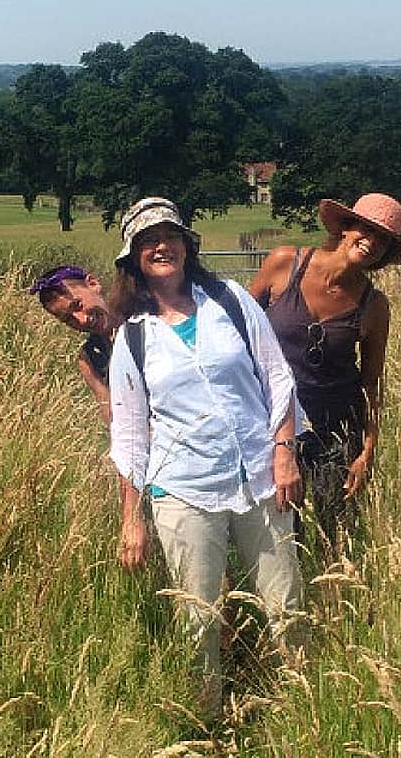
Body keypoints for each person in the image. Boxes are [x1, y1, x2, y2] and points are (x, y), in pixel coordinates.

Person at [107, 197, 304, 718]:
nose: (160, 246)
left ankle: (305, 711)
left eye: (169, 236)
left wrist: (285, 451)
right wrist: (133, 520)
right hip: (183, 490)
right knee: (198, 619)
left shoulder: (232, 301)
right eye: (148, 241)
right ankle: (208, 722)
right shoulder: (132, 337)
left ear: (187, 245)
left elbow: (277, 378)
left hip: (261, 478)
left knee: (287, 606)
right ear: (133, 260)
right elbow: (129, 436)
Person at [248, 192, 401, 556]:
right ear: (346, 227)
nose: (372, 241)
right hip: (275, 425)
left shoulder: (373, 305)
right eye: (367, 229)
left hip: (337, 430)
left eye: (384, 240)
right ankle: (287, 605)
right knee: (280, 530)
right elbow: (238, 335)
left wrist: (367, 450)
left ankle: (335, 604)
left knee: (336, 533)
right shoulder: (285, 263)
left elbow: (372, 380)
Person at [30, 265, 114, 425]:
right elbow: (111, 417)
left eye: (78, 305)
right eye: (68, 319)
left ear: (93, 284)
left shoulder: (145, 321)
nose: (82, 320)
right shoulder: (89, 359)